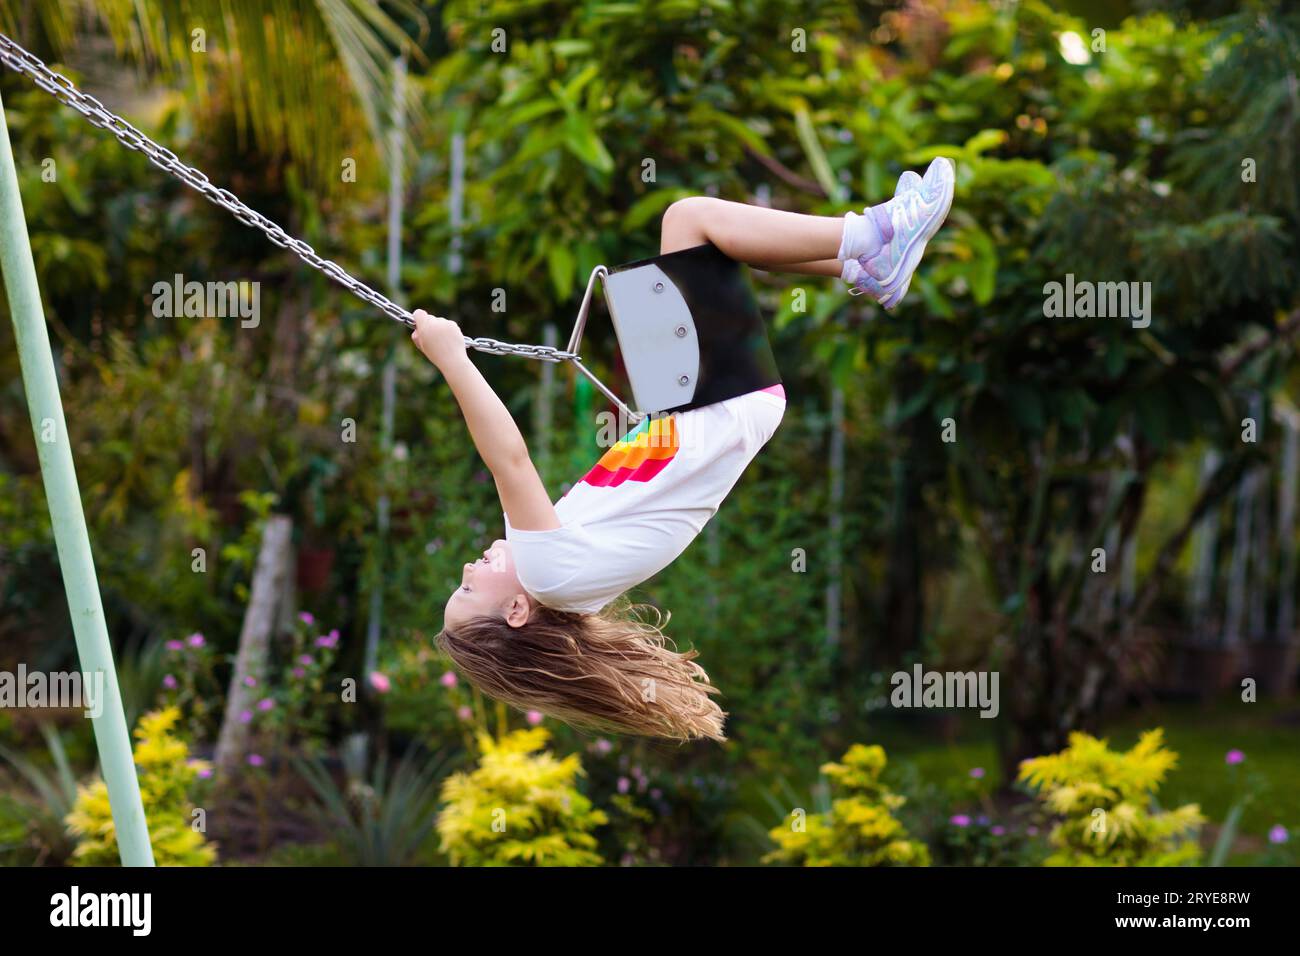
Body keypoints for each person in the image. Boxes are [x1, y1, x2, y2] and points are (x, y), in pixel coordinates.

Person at [415, 158, 955, 742]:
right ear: (516, 614)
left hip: (688, 404)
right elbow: (509, 459)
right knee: (691, 221)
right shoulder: (549, 575)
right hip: (720, 407)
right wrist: (452, 358)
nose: (468, 567)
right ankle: (877, 232)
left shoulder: (558, 576)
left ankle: (867, 266)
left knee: (692, 240)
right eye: (468, 588)